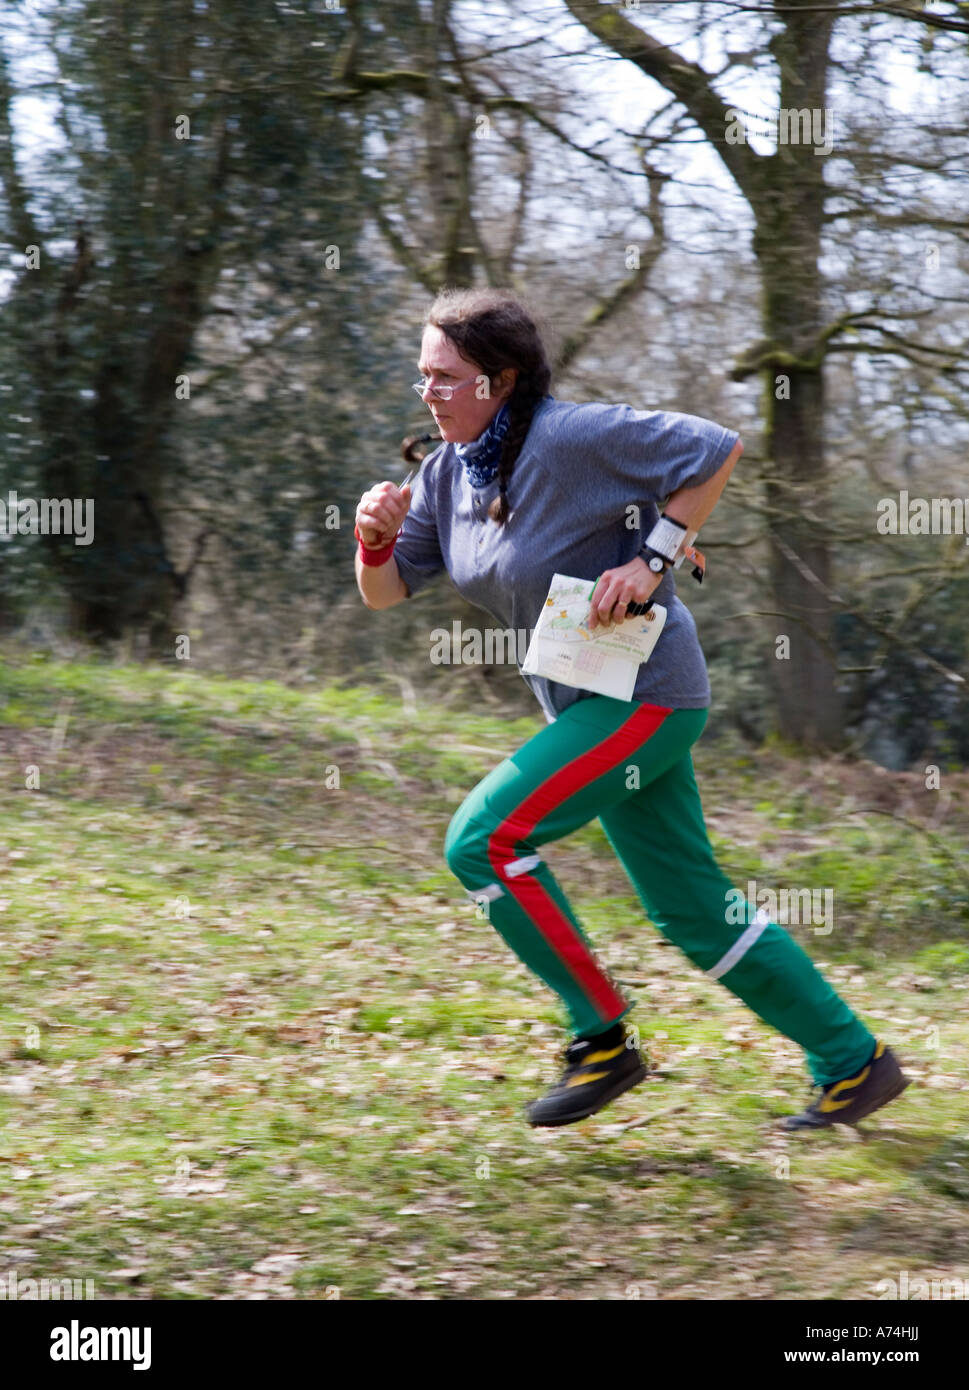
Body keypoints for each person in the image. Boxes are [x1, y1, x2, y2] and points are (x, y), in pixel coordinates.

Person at [353, 287, 910, 1131]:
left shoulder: (570, 437)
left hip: (645, 698)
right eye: (422, 375)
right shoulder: (444, 475)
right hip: (584, 705)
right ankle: (852, 1062)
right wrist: (372, 538)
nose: (427, 391)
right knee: (692, 907)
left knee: (483, 841)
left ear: (499, 380)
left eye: (446, 377)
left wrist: (651, 560)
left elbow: (714, 447)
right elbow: (386, 596)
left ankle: (601, 1040)